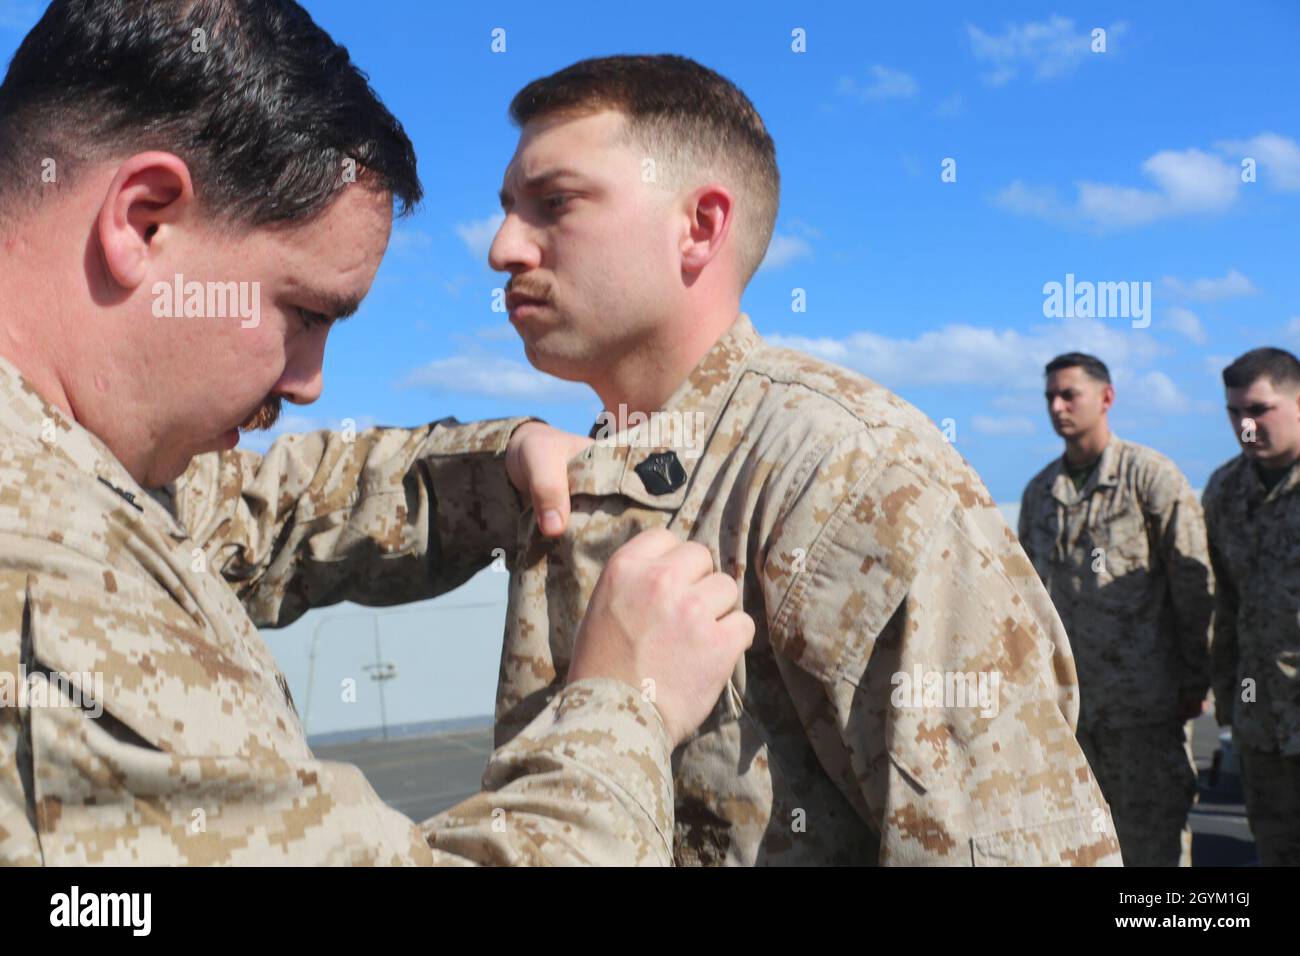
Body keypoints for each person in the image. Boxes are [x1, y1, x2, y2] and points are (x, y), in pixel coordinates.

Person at [0, 0, 752, 866]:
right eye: (305, 311)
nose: (310, 381)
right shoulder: (47, 590)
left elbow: (252, 513)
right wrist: (628, 704)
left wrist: (486, 470)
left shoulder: (74, 470)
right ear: (145, 220)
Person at [486, 53, 1121, 865]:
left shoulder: (845, 469)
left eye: (554, 204)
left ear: (702, 226)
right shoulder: (588, 472)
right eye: (508, 208)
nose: (504, 248)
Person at [1018, 353, 1213, 866]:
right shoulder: (1041, 493)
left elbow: (1194, 588)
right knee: (1080, 848)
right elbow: (1027, 599)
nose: (1057, 407)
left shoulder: (1149, 479)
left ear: (1106, 398)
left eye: (1069, 395)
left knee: (1153, 847)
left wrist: (1197, 680)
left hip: (1144, 707)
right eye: (1049, 398)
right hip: (1070, 715)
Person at [1202, 347, 1300, 865]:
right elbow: (1227, 604)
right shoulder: (1224, 490)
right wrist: (1227, 705)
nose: (1246, 425)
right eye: (1234, 412)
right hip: (1262, 721)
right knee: (1275, 851)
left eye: (1260, 410)